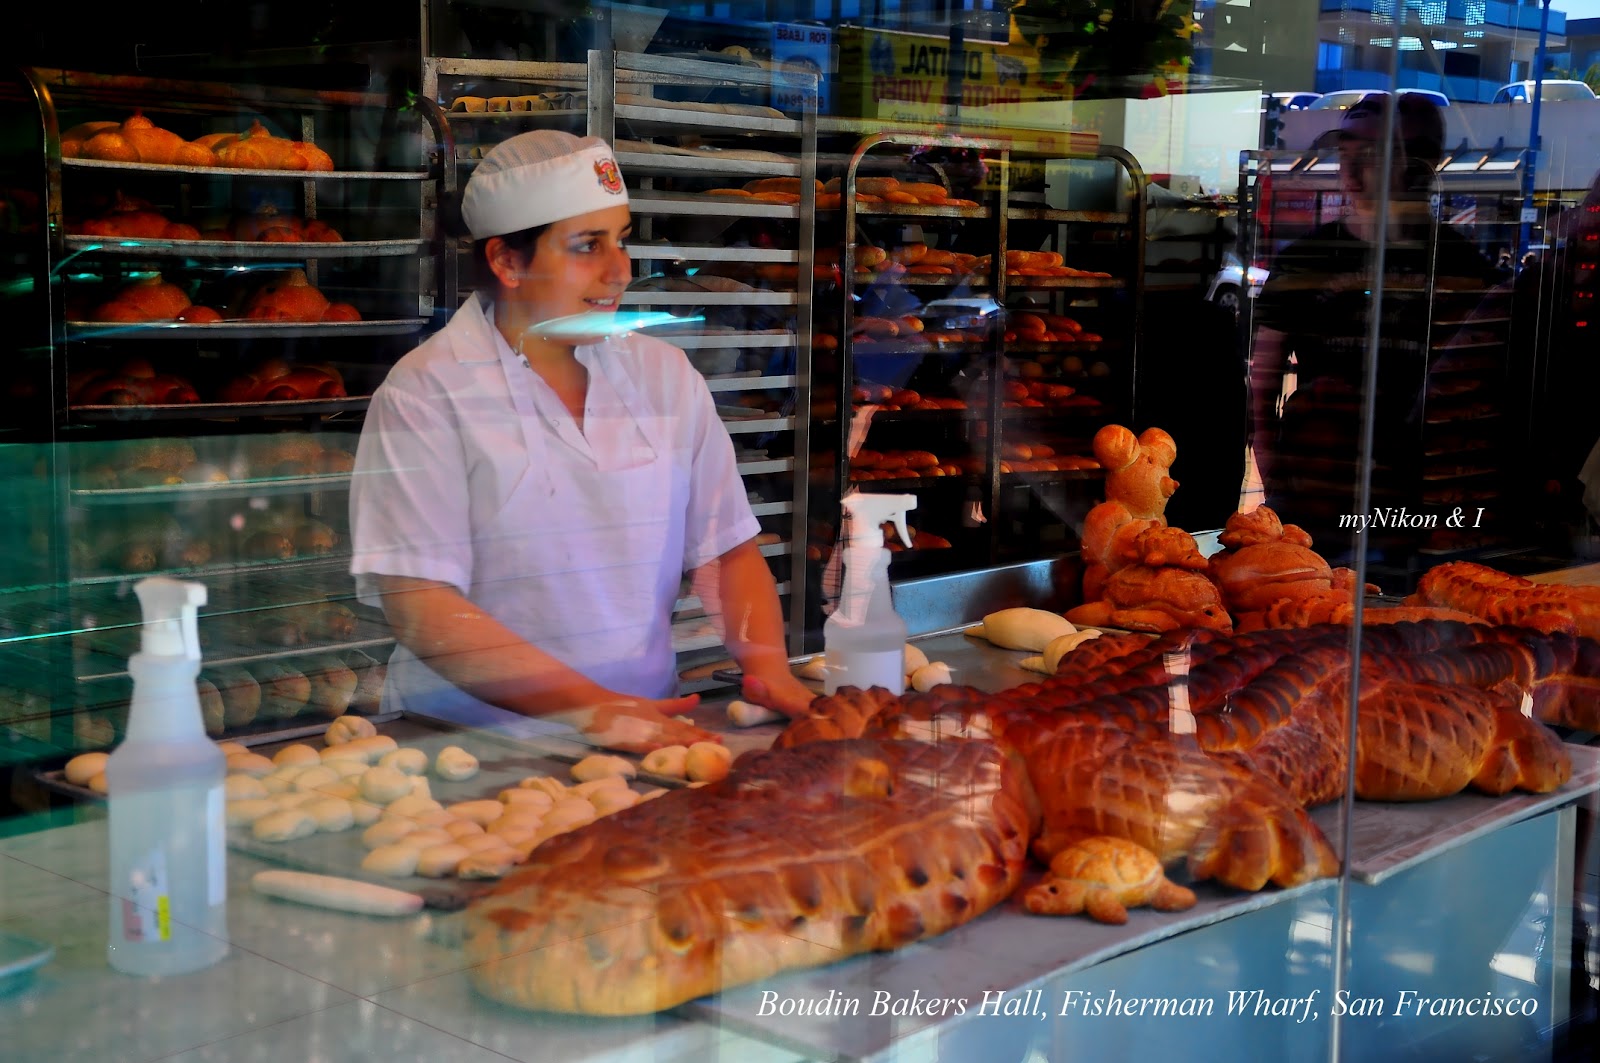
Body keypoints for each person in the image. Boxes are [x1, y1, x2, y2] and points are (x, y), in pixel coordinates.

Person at [349, 130, 814, 751]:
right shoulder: (428, 394)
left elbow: (723, 552)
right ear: (507, 262)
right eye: (586, 246)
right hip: (466, 744)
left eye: (620, 239)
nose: (619, 270)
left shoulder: (663, 377)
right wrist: (591, 710)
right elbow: (419, 602)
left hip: (646, 732)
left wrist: (767, 671)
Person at [1249, 92, 1499, 566]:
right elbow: (1263, 381)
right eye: (1347, 154)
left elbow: (1483, 396)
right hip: (1318, 492)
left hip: (1417, 505)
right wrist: (1277, 482)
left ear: (1420, 166)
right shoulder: (1307, 259)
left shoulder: (1464, 267)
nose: (1352, 171)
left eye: (1373, 156)